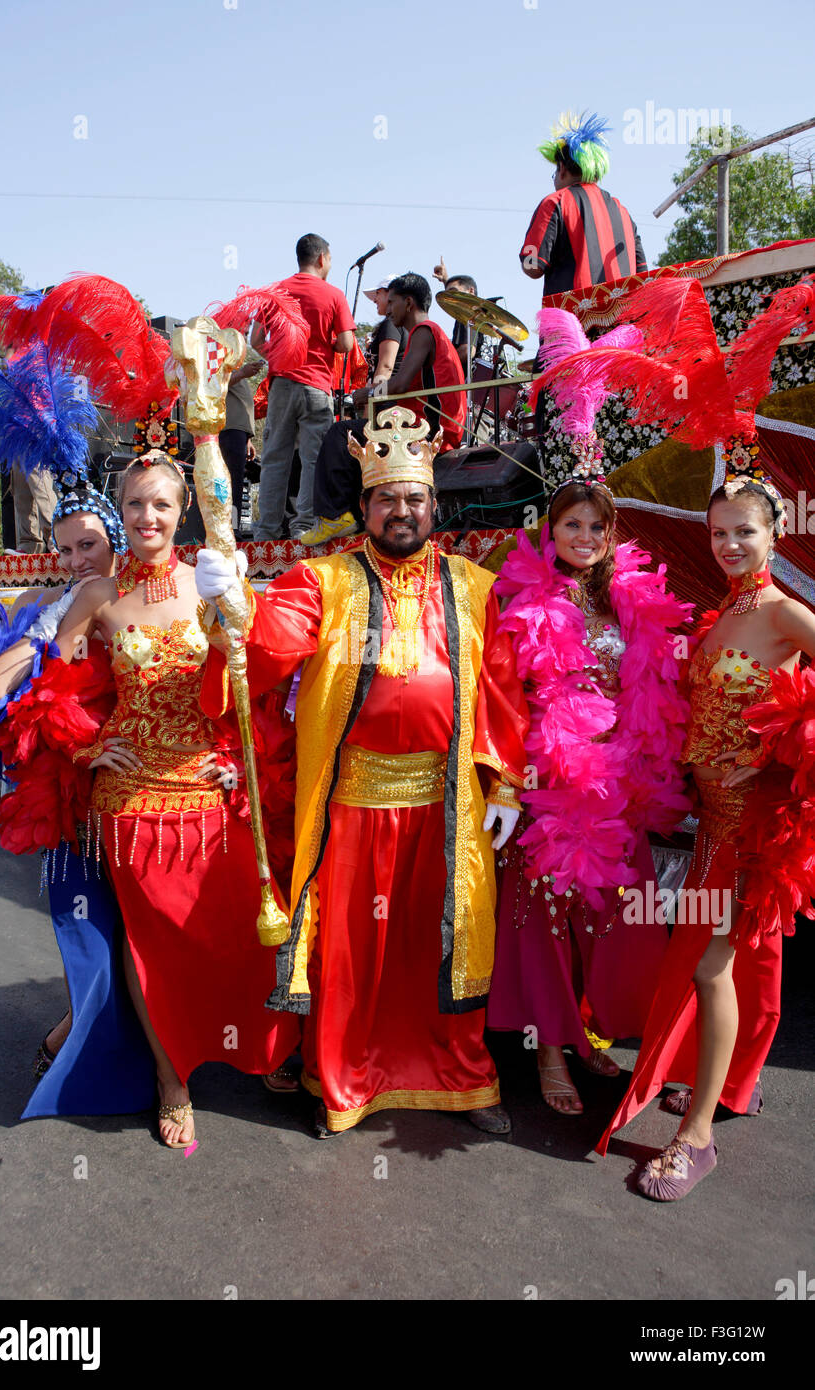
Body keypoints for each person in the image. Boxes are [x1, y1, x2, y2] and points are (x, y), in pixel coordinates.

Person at [195, 405, 530, 1137]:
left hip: (446, 804)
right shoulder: (324, 582)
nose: (402, 511)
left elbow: (502, 686)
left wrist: (503, 780)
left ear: (433, 505)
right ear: (365, 506)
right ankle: (344, 1078)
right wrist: (234, 602)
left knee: (440, 942)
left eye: (414, 499)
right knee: (354, 951)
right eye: (387, 499)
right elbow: (270, 634)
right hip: (351, 801)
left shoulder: (475, 587)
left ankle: (458, 1077)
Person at [44, 452, 301, 1147]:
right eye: (134, 505)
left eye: (160, 504)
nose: (147, 517)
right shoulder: (97, 596)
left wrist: (237, 763)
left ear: (182, 511)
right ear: (119, 511)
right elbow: (52, 690)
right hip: (129, 804)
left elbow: (252, 688)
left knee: (230, 939)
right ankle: (171, 1080)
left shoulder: (210, 583)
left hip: (208, 796)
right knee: (152, 948)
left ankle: (257, 1047)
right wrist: (84, 748)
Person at [597, 463, 815, 1198]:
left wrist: (787, 756)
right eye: (718, 533)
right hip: (710, 826)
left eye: (743, 532)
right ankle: (722, 1080)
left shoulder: (785, 614)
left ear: (775, 534)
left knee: (709, 967)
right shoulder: (721, 616)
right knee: (728, 960)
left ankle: (696, 1137)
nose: (728, 544)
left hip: (756, 828)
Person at [0, 481, 158, 1117]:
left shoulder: (149, 591)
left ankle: (121, 1051)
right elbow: (10, 679)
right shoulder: (84, 596)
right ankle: (74, 1045)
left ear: (115, 538)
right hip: (88, 791)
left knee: (134, 934)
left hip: (152, 790)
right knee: (97, 930)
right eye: (65, 548)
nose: (76, 559)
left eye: (87, 544)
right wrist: (80, 743)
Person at [486, 478, 690, 1113]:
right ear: (552, 529)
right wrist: (514, 778)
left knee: (611, 918)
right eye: (572, 525)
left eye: (597, 528)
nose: (585, 538)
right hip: (553, 785)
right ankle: (549, 1050)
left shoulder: (628, 601)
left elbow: (654, 686)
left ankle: (586, 1032)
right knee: (547, 921)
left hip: (618, 783)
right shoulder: (523, 596)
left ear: (611, 535)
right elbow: (501, 690)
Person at [252, 233, 355, 542]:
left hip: (282, 384)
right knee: (313, 460)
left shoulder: (275, 293)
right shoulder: (333, 295)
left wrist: (279, 357)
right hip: (317, 387)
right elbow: (347, 343)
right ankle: (304, 527)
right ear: (322, 258)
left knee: (274, 458)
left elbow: (255, 340)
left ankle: (266, 531)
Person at [300, 276, 407, 545]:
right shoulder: (394, 327)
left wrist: (370, 394)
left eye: (383, 297)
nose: (379, 302)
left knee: (339, 434)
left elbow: (385, 369)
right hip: (393, 409)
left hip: (392, 413)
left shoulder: (390, 328)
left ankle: (336, 515)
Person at [520, 112, 647, 296]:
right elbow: (642, 274)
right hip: (622, 320)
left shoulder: (555, 202)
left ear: (561, 168)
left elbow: (532, 266)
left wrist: (528, 251)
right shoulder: (623, 212)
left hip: (572, 320)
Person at [352, 273, 467, 455]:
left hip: (429, 434)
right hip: (429, 429)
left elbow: (401, 384)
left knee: (341, 434)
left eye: (391, 302)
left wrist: (370, 393)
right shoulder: (431, 332)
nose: (388, 310)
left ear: (408, 303)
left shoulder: (424, 331)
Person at [219, 356, 260, 536]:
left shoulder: (234, 364)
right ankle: (229, 529)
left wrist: (248, 439)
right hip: (228, 429)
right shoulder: (217, 358)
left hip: (239, 431)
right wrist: (242, 373)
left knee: (236, 483)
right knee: (228, 482)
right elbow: (213, 385)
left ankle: (233, 528)